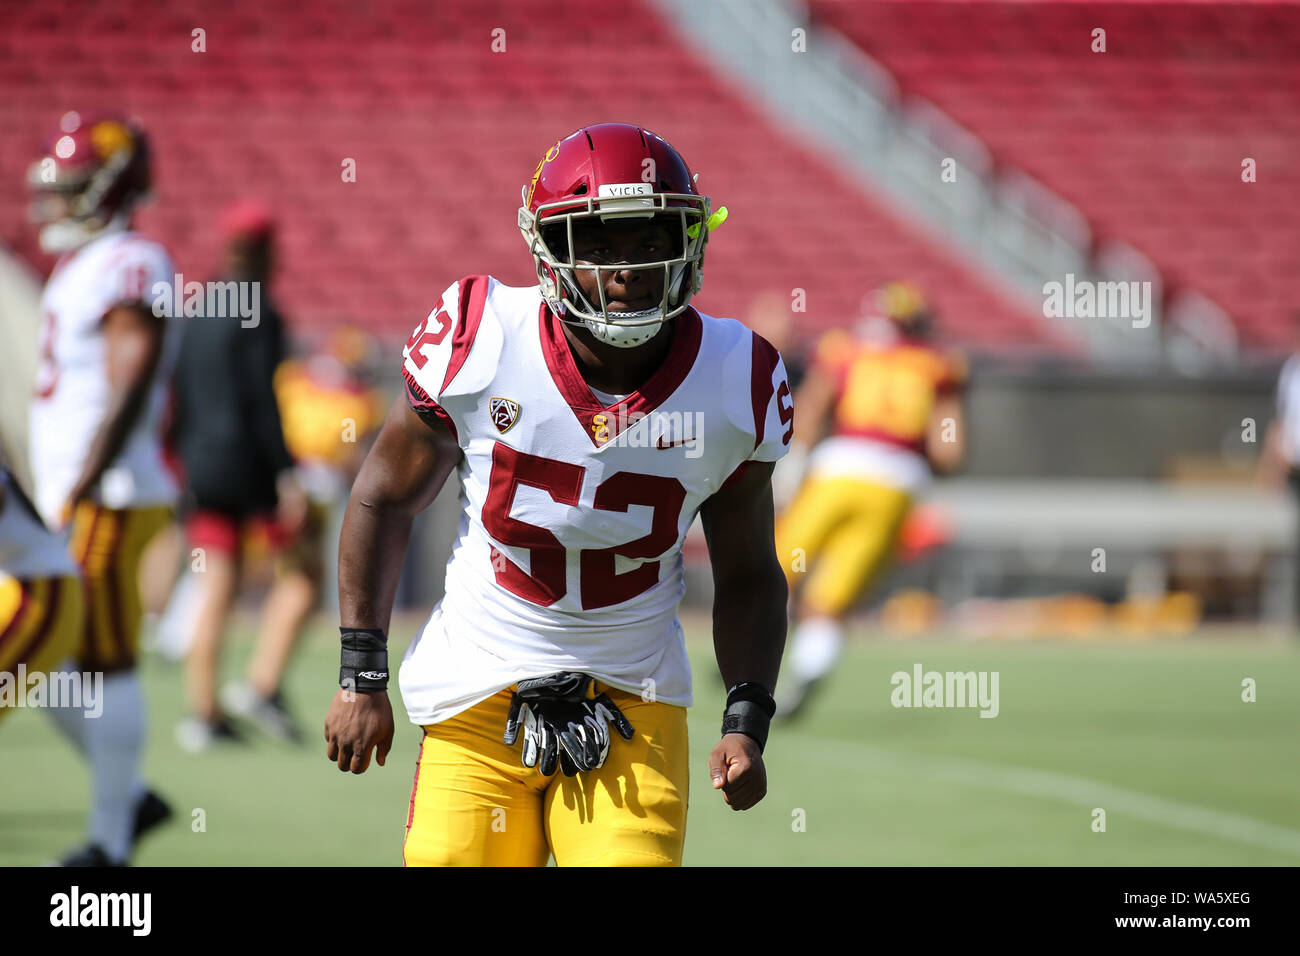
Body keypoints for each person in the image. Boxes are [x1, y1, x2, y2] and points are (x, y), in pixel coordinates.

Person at [324, 123, 792, 866]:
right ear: (550, 251)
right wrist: (361, 674)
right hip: (477, 683)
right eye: (598, 243)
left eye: (649, 240)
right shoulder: (482, 337)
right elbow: (383, 498)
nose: (627, 269)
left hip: (633, 695)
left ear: (691, 241)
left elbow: (748, 573)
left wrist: (746, 716)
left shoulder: (736, 378)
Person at [26, 111, 176, 865]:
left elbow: (130, 374)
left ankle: (109, 844)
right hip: (83, 489)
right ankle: (129, 797)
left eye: (73, 187)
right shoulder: (84, 263)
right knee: (42, 655)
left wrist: (82, 485)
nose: (55, 202)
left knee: (101, 657)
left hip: (109, 492)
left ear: (108, 190)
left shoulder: (130, 259)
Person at [774, 281, 966, 718]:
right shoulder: (938, 365)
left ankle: (749, 659)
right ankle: (810, 665)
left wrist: (793, 464)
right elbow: (948, 450)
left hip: (839, 467)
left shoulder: (846, 350)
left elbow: (810, 410)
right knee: (833, 596)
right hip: (897, 481)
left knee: (779, 567)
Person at [169, 201, 309, 749]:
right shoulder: (261, 311)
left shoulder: (200, 305)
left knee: (216, 588)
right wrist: (286, 473)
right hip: (248, 469)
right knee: (303, 571)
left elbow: (178, 388)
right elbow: (260, 401)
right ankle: (262, 682)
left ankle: (202, 714)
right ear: (268, 250)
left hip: (200, 465)